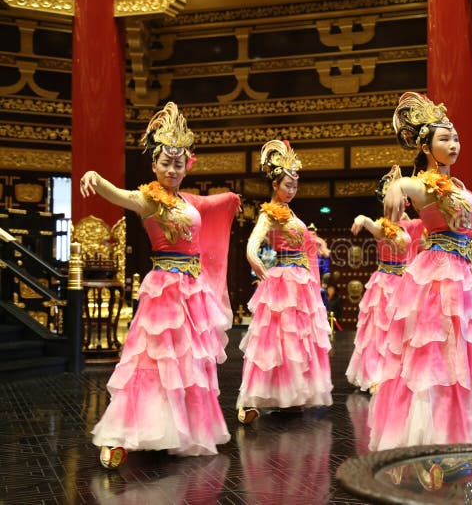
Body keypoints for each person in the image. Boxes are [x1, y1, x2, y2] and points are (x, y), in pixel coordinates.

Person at [81, 102, 240, 468]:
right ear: (154, 165)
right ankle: (132, 431)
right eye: (166, 163)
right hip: (165, 289)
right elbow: (118, 195)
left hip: (192, 290)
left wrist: (230, 200)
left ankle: (181, 429)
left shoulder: (186, 200)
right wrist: (96, 176)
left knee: (188, 362)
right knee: (154, 359)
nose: (172, 169)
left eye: (179, 164)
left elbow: (207, 203)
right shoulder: (147, 200)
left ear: (187, 167)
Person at [368, 92, 472, 450]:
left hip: (465, 275)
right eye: (444, 139)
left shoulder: (460, 188)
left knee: (464, 352)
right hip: (437, 275)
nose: (454, 144)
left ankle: (460, 427)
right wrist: (397, 187)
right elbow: (403, 185)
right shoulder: (422, 184)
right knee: (434, 351)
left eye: (456, 137)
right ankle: (430, 432)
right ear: (426, 147)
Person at [236, 140, 332, 424]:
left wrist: (316, 244)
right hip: (284, 280)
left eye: (294, 185)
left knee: (296, 341)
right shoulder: (270, 213)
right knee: (278, 340)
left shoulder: (290, 213)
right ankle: (258, 396)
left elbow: (303, 241)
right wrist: (253, 256)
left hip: (299, 280)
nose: (291, 190)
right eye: (287, 185)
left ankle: (290, 395)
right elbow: (254, 240)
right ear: (275, 185)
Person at [345, 165, 424, 392]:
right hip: (386, 281)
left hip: (405, 281)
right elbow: (370, 224)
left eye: (402, 199)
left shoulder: (409, 225)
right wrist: (361, 219)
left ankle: (403, 373)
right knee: (380, 331)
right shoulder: (382, 225)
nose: (398, 204)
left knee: (403, 330)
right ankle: (377, 375)